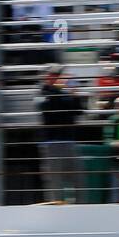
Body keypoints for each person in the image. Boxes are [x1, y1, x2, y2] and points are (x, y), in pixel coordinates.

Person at [36, 64, 86, 201]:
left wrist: (75, 94)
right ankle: (56, 212)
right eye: (55, 75)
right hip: (52, 143)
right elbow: (47, 108)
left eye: (59, 75)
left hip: (69, 141)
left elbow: (79, 111)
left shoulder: (64, 93)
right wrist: (62, 91)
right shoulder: (42, 93)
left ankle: (83, 209)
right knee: (55, 183)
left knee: (79, 179)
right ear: (47, 77)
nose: (59, 78)